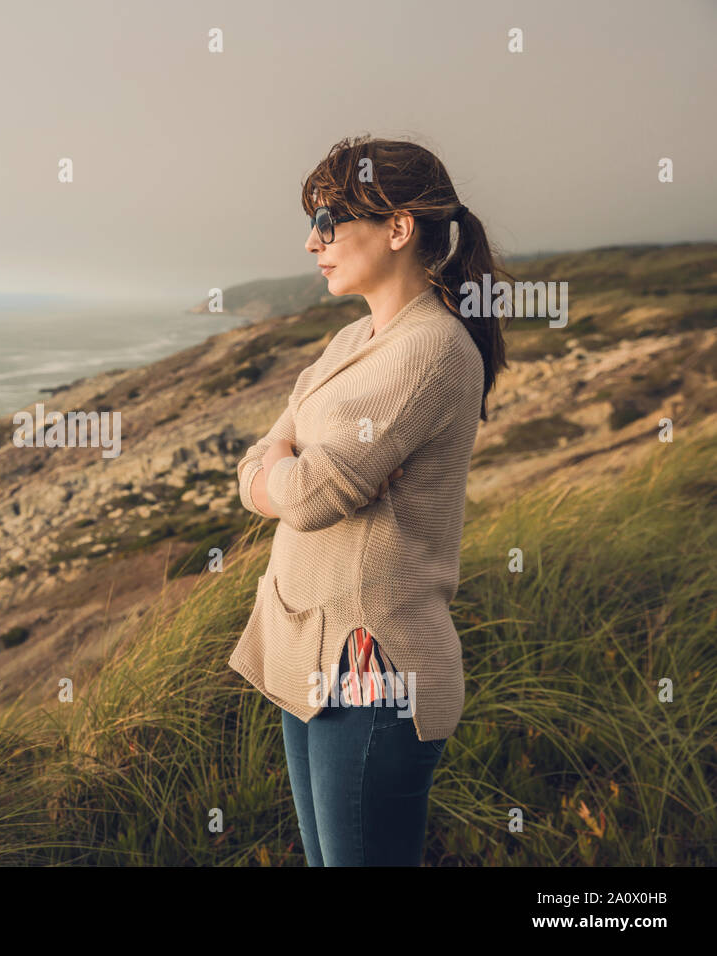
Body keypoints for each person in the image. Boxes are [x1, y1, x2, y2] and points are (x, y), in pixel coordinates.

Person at [227, 135, 512, 866]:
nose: (311, 240)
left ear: (398, 227)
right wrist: (276, 473)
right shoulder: (355, 339)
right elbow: (261, 462)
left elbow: (312, 494)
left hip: (371, 671)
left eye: (329, 222)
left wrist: (278, 473)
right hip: (308, 654)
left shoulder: (432, 351)